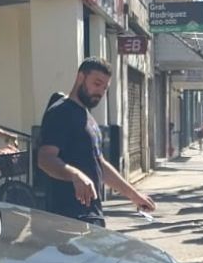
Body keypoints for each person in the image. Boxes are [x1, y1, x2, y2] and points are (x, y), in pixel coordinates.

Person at [37, 57, 155, 227]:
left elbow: (99, 163)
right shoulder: (60, 112)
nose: (100, 91)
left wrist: (134, 196)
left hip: (91, 216)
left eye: (105, 87)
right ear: (80, 77)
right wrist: (75, 175)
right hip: (68, 219)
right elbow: (45, 159)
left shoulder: (87, 117)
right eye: (97, 83)